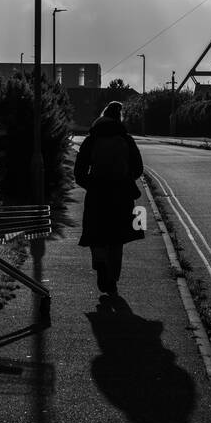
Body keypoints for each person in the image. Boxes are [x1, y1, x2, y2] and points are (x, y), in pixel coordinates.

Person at [73, 101, 146, 299]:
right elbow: (138, 168)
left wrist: (93, 184)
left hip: (97, 195)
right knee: (117, 239)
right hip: (121, 196)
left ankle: (100, 263)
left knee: (95, 234)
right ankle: (112, 279)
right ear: (119, 118)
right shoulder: (126, 139)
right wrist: (124, 181)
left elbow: (78, 172)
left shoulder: (91, 139)